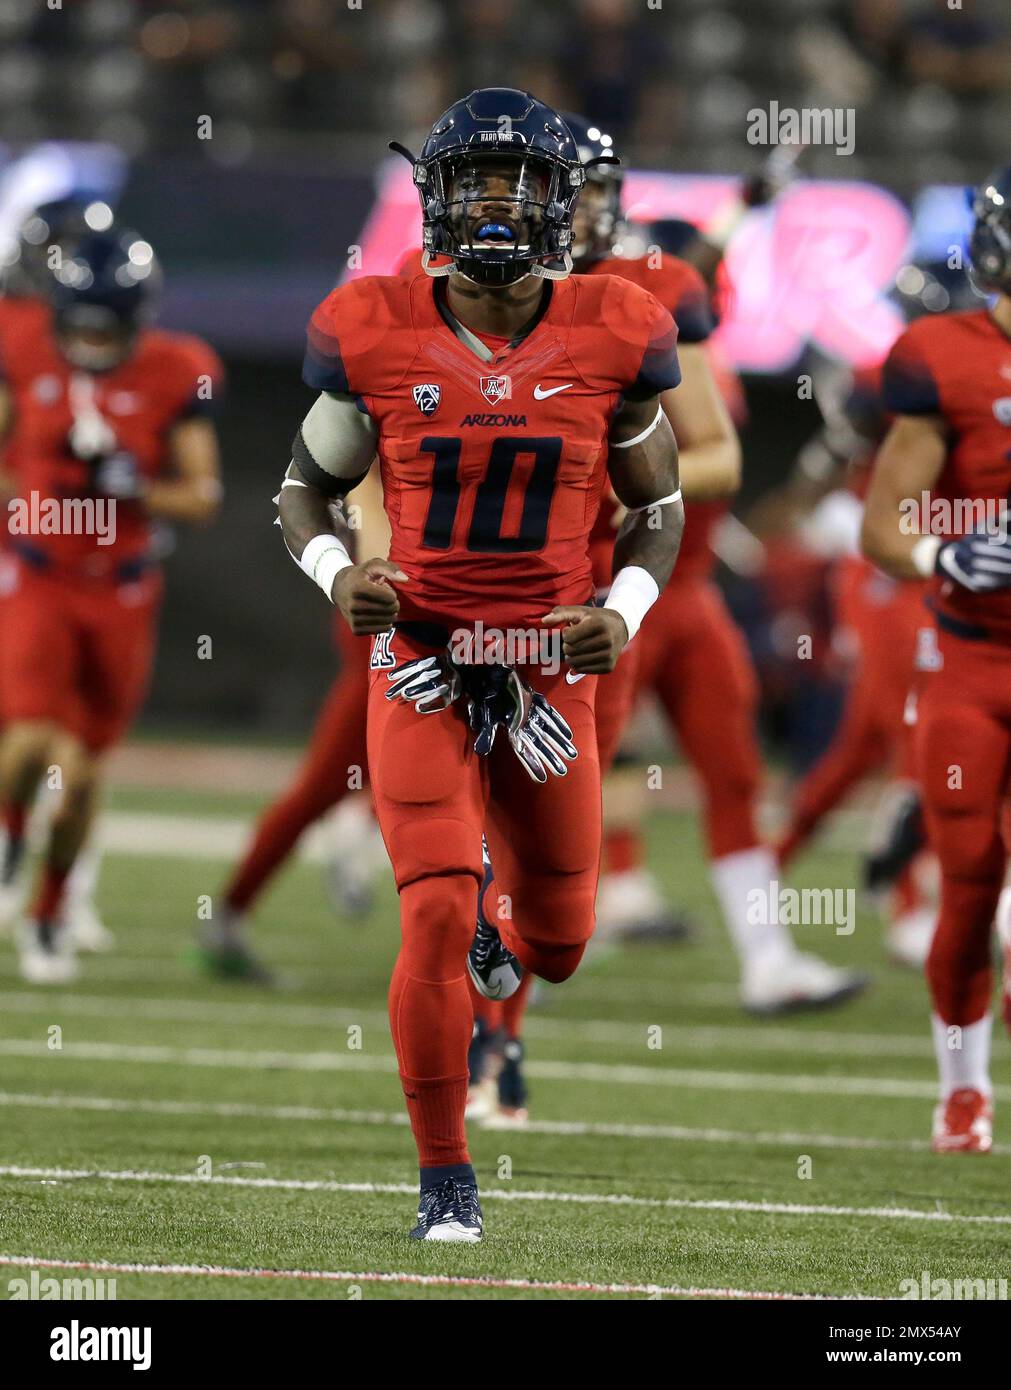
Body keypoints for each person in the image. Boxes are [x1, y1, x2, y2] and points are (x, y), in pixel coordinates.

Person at [278, 88, 684, 1240]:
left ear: (564, 205)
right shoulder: (371, 321)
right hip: (423, 660)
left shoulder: (617, 323)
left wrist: (630, 600)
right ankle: (445, 1176)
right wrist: (335, 572)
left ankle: (515, 934)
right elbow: (302, 488)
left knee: (554, 948)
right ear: (434, 199)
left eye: (522, 184)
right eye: (474, 182)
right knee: (438, 914)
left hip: (553, 663)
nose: (497, 205)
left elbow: (660, 505)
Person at [0, 226, 223, 982]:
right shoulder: (22, 349)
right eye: (80, 325)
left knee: (82, 773)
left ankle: (50, 911)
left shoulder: (177, 369)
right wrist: (35, 500)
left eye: (108, 327)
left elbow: (201, 496)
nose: (92, 342)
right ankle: (7, 844)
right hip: (39, 576)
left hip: (122, 588)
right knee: (30, 740)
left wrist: (134, 484)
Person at [862, 165, 1011, 1153]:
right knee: (970, 880)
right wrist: (945, 552)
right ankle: (962, 1086)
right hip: (972, 661)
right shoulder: (944, 357)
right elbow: (881, 528)